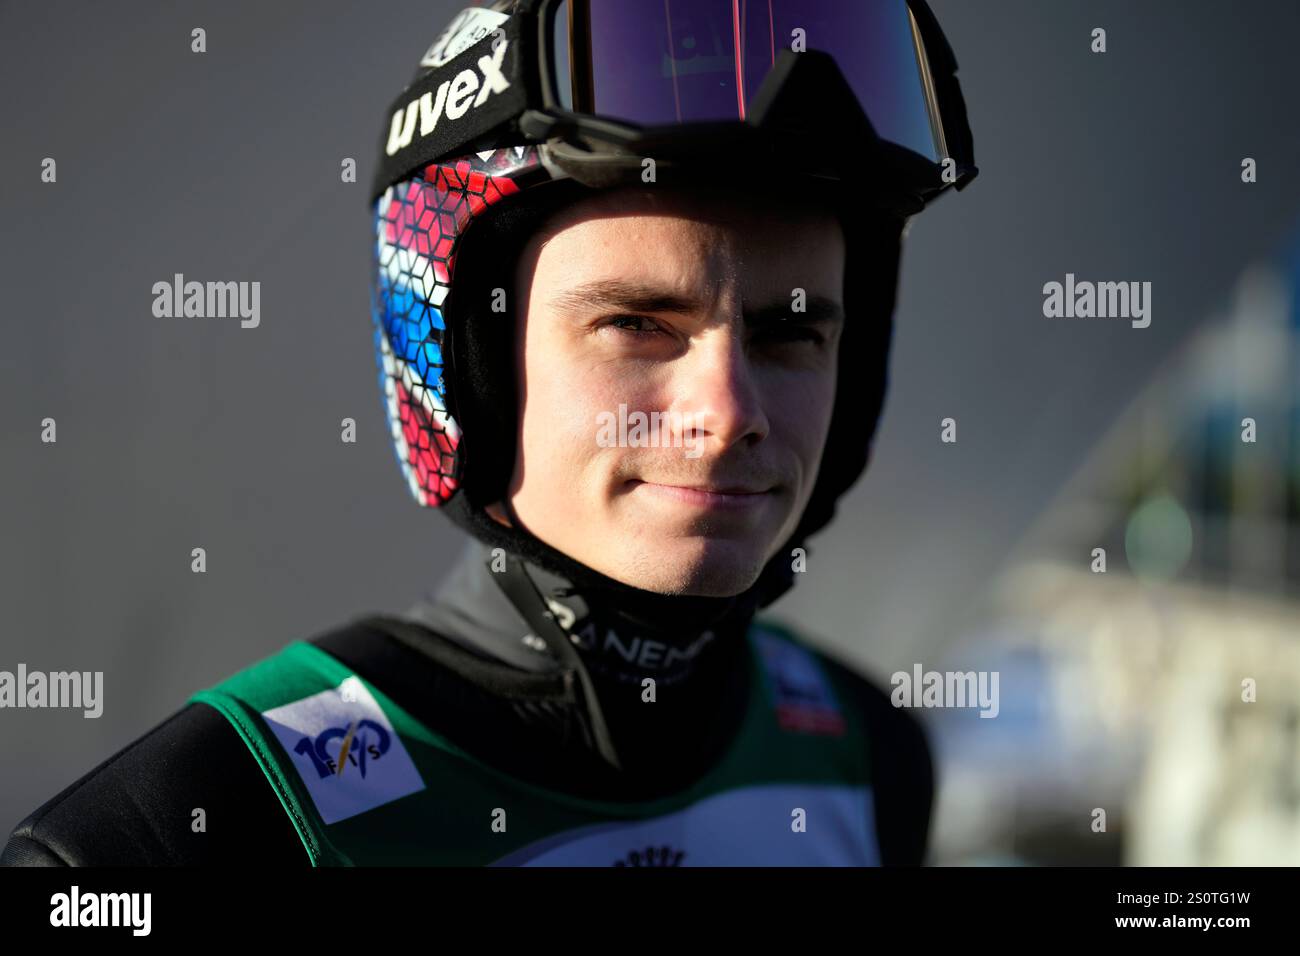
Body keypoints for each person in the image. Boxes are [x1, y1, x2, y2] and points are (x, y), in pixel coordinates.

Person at [3, 0, 977, 866]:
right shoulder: (192, 828)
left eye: (792, 331)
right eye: (636, 324)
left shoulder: (868, 748)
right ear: (463, 362)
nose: (727, 413)